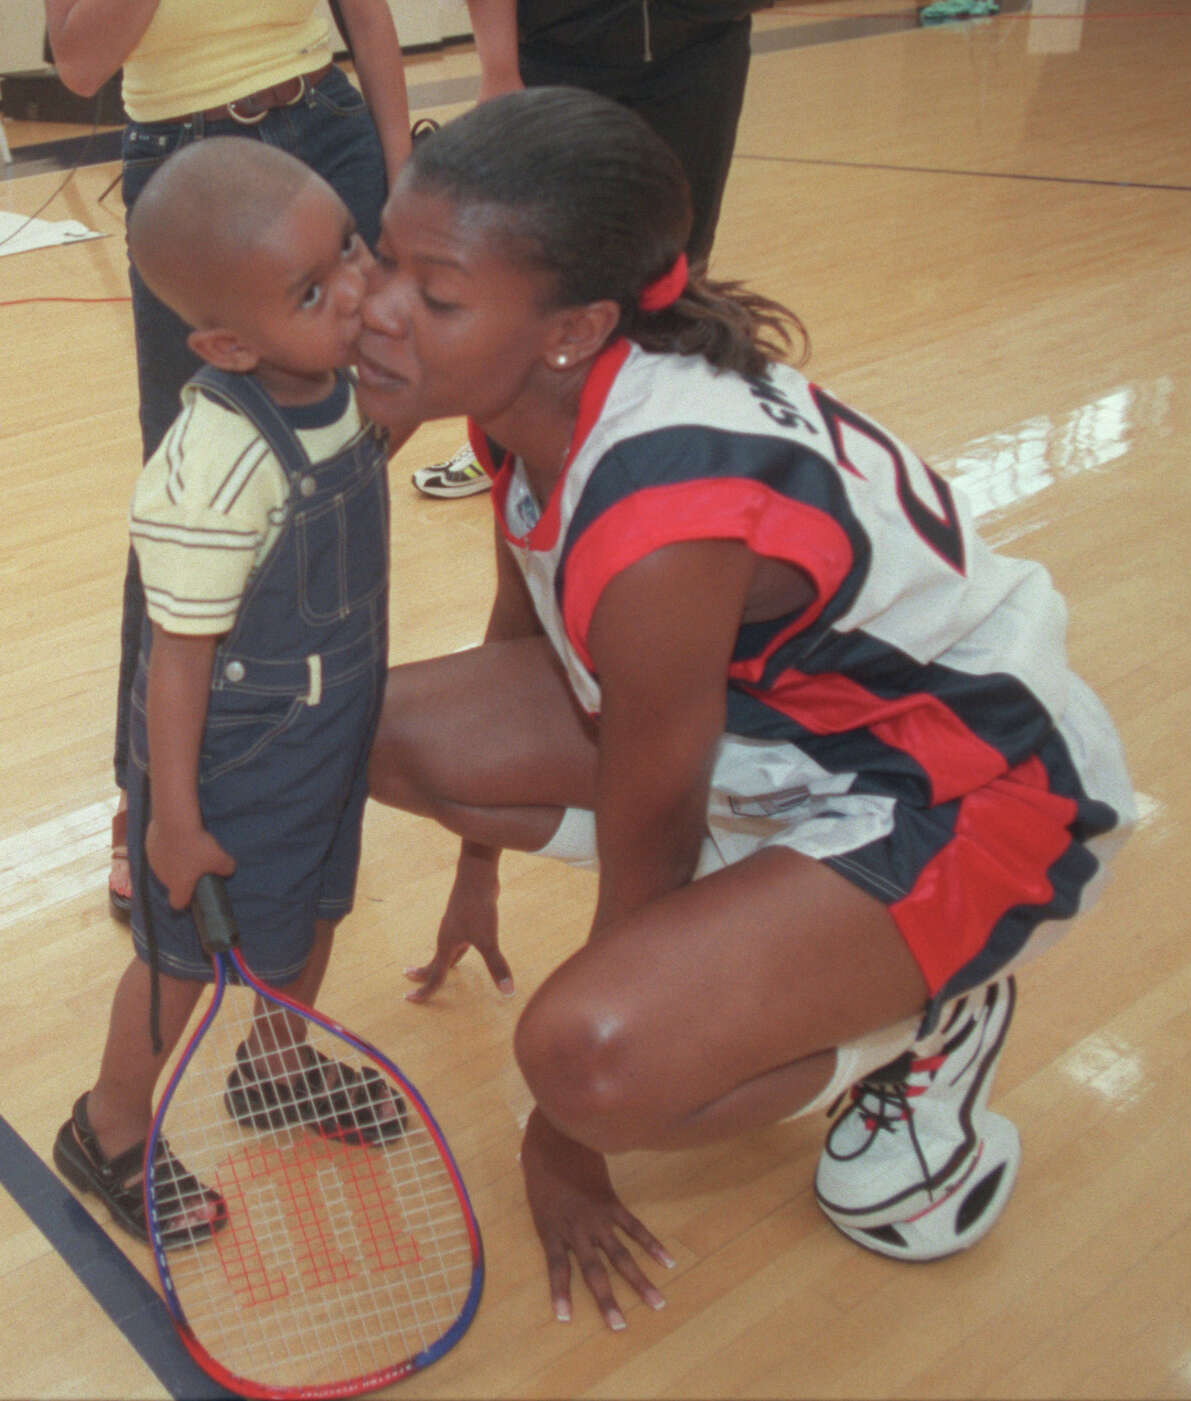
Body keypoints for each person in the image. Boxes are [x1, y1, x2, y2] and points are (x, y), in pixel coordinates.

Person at [357, 88, 1136, 1329]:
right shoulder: (527, 392)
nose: (381, 308)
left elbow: (648, 825)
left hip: (970, 790)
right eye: (383, 257)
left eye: (434, 293)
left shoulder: (663, 517)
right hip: (788, 726)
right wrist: (476, 868)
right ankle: (785, 920)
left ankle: (931, 1017)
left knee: (588, 1058)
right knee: (383, 729)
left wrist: (563, 1141)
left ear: (575, 328)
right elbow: (535, 620)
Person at [42, 0, 513, 920]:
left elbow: (369, 17)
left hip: (321, 137)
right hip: (188, 177)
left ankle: (298, 737)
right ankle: (150, 793)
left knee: (349, 440)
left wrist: (396, 169)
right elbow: (78, 64)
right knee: (192, 498)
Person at [53, 139, 402, 1244]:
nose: (354, 287)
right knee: (184, 965)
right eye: (314, 289)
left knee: (315, 915)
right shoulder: (211, 466)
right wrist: (175, 823)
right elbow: (179, 661)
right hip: (230, 760)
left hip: (330, 725)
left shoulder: (333, 379)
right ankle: (107, 1128)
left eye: (349, 248)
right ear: (226, 344)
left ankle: (275, 1068)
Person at [412, 0, 769, 498]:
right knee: (547, 269)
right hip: (560, 52)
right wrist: (499, 68)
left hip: (703, 42)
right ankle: (511, 441)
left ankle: (663, 437)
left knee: (679, 263)